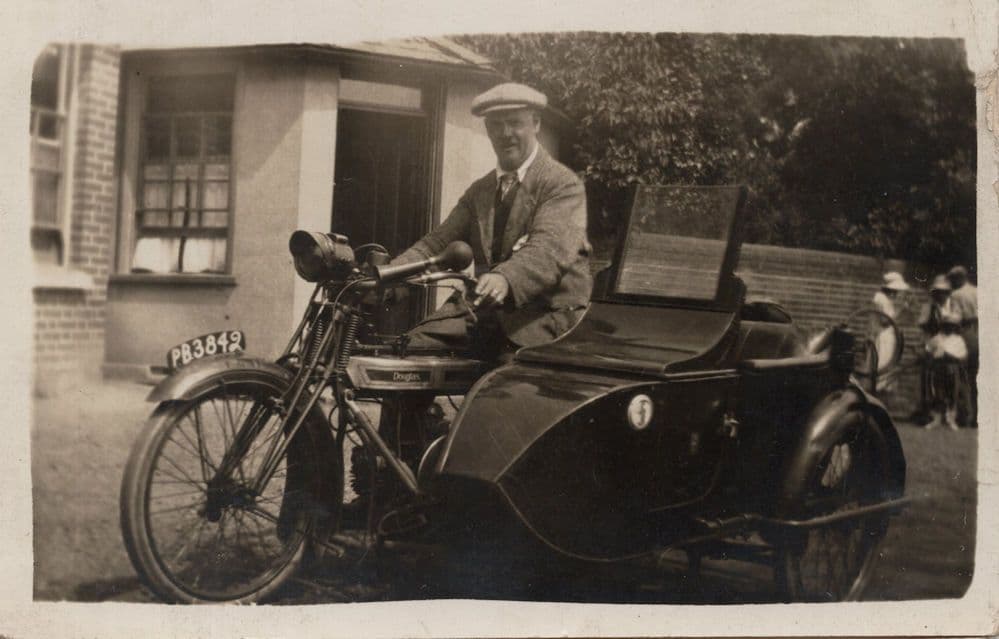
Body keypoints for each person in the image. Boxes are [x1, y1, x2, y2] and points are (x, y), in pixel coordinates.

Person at [350, 83, 592, 510]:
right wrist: (385, 277)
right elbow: (436, 244)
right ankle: (397, 486)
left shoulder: (560, 185)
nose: (506, 134)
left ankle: (475, 504)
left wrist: (503, 278)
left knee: (497, 395)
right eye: (496, 126)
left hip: (544, 321)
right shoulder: (481, 191)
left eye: (515, 123)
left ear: (535, 124)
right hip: (485, 312)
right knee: (406, 357)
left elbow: (549, 252)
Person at [918, 275, 967, 430]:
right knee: (933, 386)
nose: (941, 295)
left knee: (953, 389)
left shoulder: (954, 306)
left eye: (944, 292)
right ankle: (934, 416)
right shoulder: (929, 307)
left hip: (952, 352)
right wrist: (927, 347)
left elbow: (958, 324)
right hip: (936, 348)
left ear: (948, 292)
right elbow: (924, 328)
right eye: (938, 292)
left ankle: (951, 417)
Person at [947, 265, 978, 426]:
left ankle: (964, 415)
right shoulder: (977, 291)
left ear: (959, 278)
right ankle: (978, 416)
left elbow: (955, 318)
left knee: (963, 376)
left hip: (965, 333)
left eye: (953, 279)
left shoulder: (956, 295)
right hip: (980, 332)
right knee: (977, 376)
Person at [869, 271, 909, 391]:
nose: (896, 293)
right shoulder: (881, 299)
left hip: (887, 333)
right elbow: (884, 320)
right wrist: (901, 310)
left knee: (887, 359)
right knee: (884, 360)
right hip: (883, 334)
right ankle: (880, 387)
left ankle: (883, 386)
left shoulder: (884, 299)